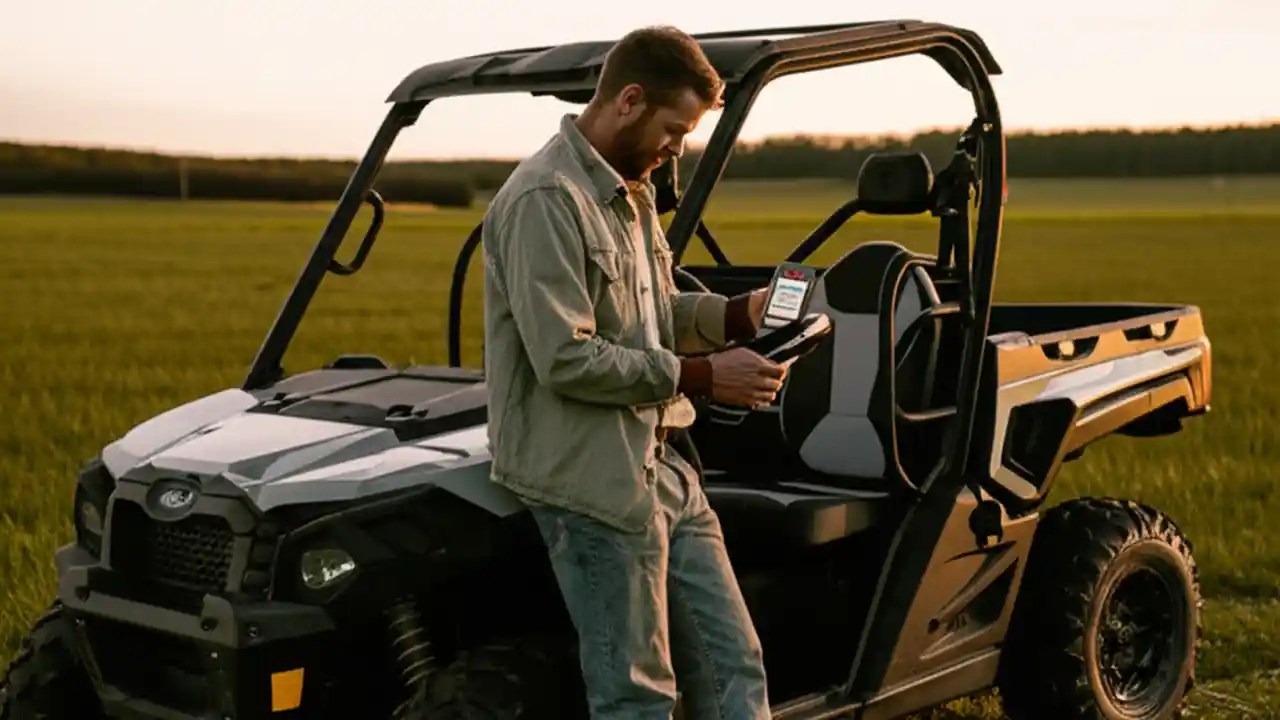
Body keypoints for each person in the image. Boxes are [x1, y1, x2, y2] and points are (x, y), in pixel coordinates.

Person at [481, 24, 784, 720]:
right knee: (637, 698)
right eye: (674, 129)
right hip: (592, 484)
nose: (678, 147)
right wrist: (705, 376)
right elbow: (566, 357)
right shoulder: (545, 200)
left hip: (664, 466)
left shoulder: (632, 190)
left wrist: (738, 315)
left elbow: (652, 308)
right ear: (630, 101)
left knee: (735, 664)